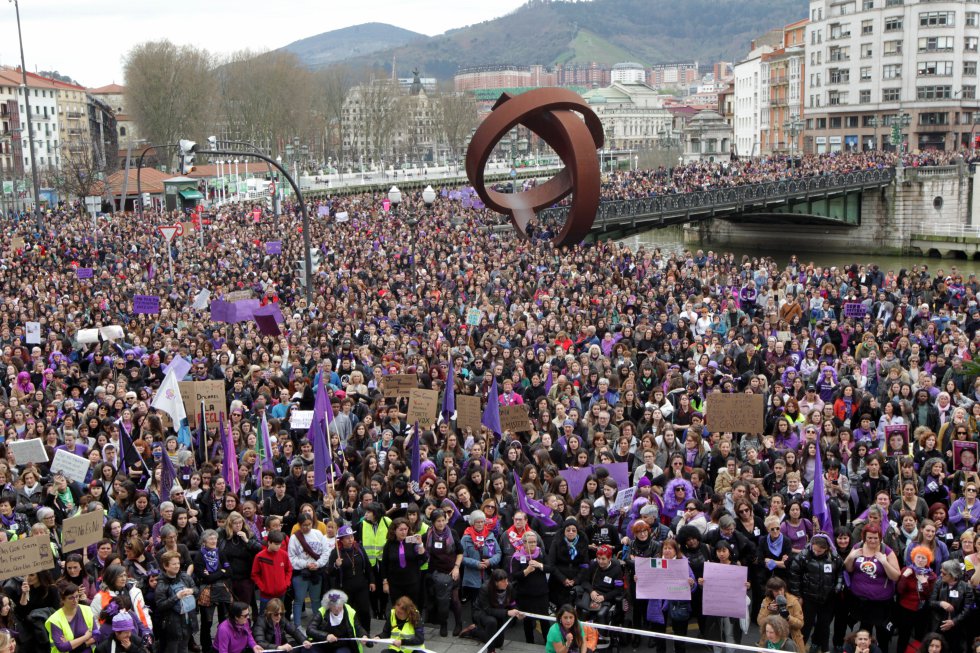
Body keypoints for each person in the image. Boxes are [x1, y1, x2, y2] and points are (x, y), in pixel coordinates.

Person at [788, 533, 844, 653]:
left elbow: (840, 572)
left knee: (824, 626)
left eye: (820, 551)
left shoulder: (834, 557)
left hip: (828, 597)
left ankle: (824, 649)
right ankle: (799, 649)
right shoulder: (804, 556)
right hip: (808, 597)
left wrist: (838, 586)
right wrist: (797, 595)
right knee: (805, 625)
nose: (816, 552)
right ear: (812, 545)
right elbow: (794, 575)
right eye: (815, 549)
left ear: (826, 549)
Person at [458, 569, 522, 653]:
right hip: (481, 611)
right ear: (495, 582)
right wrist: (507, 612)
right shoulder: (485, 588)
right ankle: (491, 650)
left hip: (498, 611)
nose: (506, 583)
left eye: (506, 580)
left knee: (498, 643)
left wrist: (517, 612)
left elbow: (513, 603)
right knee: (492, 622)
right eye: (503, 581)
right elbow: (487, 610)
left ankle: (474, 632)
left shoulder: (509, 586)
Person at [422, 509, 463, 637]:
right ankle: (443, 624)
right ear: (433, 522)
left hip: (452, 571)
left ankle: (458, 623)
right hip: (436, 573)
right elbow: (423, 554)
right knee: (442, 601)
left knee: (455, 599)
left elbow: (460, 552)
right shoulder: (427, 535)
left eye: (443, 520)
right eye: (438, 521)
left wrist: (456, 567)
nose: (441, 523)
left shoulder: (453, 533)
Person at [327, 524, 374, 636]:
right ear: (341, 540)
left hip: (361, 586)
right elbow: (330, 572)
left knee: (364, 611)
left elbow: (367, 566)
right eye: (347, 537)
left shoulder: (359, 549)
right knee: (348, 612)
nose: (350, 539)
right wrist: (336, 565)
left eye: (352, 537)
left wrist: (372, 581)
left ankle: (366, 634)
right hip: (345, 588)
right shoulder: (336, 552)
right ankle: (350, 634)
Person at [287, 514, 330, 628]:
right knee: (298, 600)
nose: (307, 527)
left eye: (309, 524)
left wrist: (318, 564)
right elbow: (292, 558)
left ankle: (317, 623)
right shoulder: (294, 537)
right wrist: (306, 564)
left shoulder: (318, 534)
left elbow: (326, 552)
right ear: (299, 525)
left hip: (316, 571)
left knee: (316, 600)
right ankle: (297, 625)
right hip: (301, 573)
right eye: (304, 525)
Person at [509, 530, 551, 644]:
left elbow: (550, 567)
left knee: (544, 620)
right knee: (527, 620)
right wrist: (526, 571)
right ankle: (529, 642)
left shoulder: (540, 552)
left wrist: (539, 565)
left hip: (541, 593)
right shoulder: (517, 556)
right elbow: (514, 576)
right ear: (524, 543)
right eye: (530, 542)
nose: (533, 545)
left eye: (534, 542)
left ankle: (547, 642)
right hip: (525, 594)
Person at [379, 517, 427, 610]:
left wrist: (420, 544)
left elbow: (423, 558)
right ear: (394, 530)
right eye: (401, 530)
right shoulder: (389, 544)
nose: (404, 532)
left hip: (412, 583)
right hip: (395, 584)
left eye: (406, 529)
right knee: (398, 609)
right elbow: (384, 564)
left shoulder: (412, 542)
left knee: (412, 609)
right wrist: (385, 582)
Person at [928, 560, 975, 653]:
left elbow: (968, 609)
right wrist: (940, 603)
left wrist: (953, 622)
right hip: (939, 626)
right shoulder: (939, 583)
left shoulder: (966, 588)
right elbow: (930, 602)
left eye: (944, 573)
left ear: (953, 575)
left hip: (957, 628)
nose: (941, 575)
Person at [156, 550, 198, 653]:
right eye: (174, 564)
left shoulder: (185, 577)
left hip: (188, 620)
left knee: (184, 647)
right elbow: (161, 605)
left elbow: (197, 590)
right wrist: (176, 597)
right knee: (173, 649)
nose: (177, 566)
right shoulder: (161, 584)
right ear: (166, 566)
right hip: (172, 625)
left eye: (178, 563)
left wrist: (191, 591)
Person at [44, 582, 102, 653]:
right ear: (62, 599)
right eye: (71, 598)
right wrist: (86, 637)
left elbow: (96, 635)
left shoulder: (86, 610)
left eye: (77, 596)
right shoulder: (55, 619)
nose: (75, 600)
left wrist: (71, 644)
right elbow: (62, 647)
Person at [757, 578, 805, 653]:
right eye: (776, 591)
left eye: (781, 590)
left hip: (790, 638)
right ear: (771, 591)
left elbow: (800, 624)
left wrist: (788, 617)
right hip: (771, 639)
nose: (780, 593)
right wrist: (768, 610)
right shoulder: (766, 601)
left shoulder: (794, 601)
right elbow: (760, 622)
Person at [251, 530, 292, 609]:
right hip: (266, 595)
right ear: (269, 543)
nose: (279, 546)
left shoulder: (284, 554)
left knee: (279, 615)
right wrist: (263, 587)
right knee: (264, 616)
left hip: (281, 593)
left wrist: (286, 584)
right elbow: (254, 574)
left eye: (280, 544)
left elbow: (289, 570)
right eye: (276, 544)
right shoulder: (260, 556)